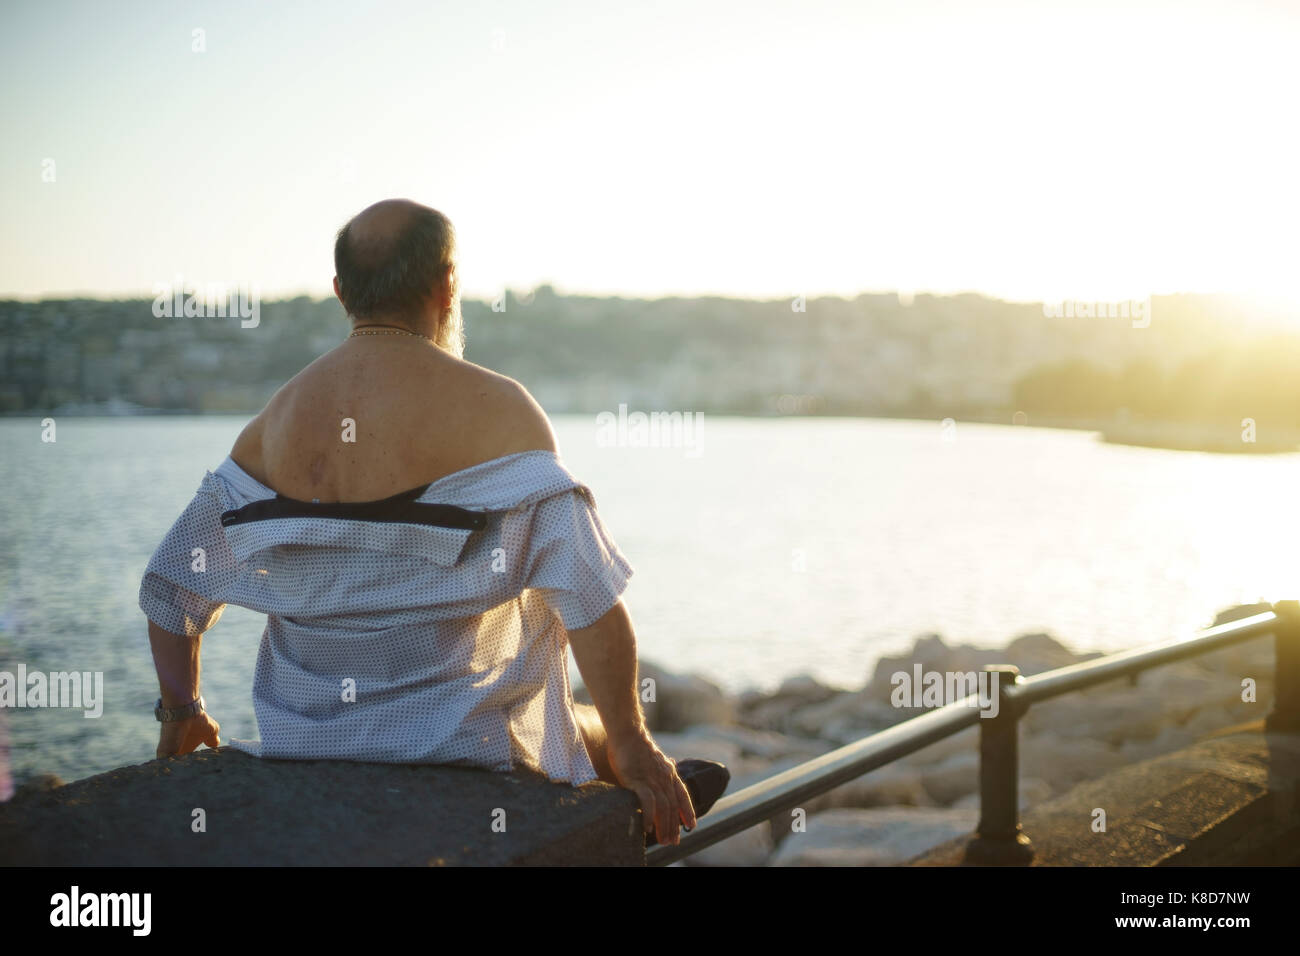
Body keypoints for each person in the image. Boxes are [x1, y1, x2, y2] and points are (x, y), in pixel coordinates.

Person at [138, 199, 726, 847]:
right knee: (591, 733)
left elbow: (171, 591)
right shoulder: (498, 411)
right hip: (464, 738)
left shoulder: (272, 425)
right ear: (447, 286)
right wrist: (634, 740)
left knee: (581, 725)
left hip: (305, 739)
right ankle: (651, 789)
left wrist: (183, 709)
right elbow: (588, 595)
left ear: (341, 293)